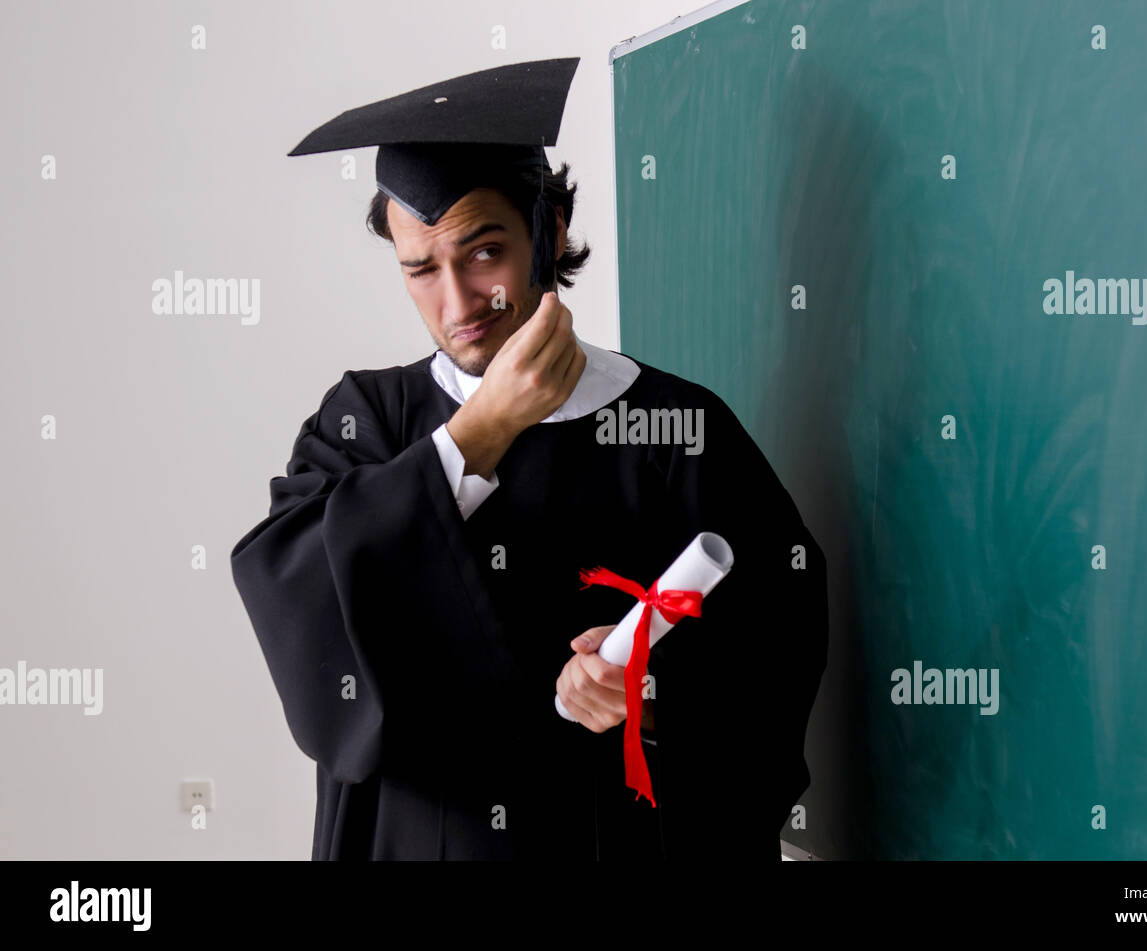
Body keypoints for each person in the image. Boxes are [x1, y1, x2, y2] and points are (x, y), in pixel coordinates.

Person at [230, 57, 828, 860]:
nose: (457, 303)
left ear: (547, 231)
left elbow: (779, 633)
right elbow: (295, 596)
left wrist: (650, 692)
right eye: (419, 269)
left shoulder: (672, 428)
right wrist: (479, 432)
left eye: (482, 253)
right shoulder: (368, 421)